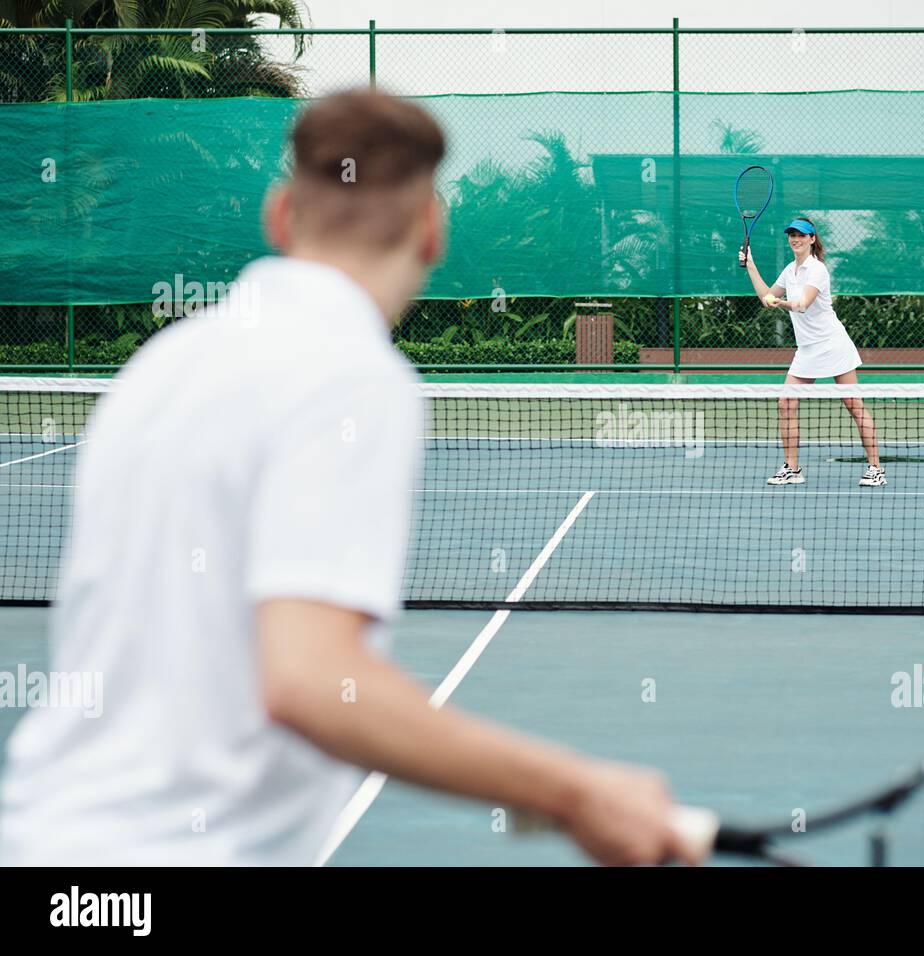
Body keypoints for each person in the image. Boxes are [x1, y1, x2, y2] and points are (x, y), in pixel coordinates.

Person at [0, 90, 700, 867]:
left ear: (279, 214)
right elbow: (308, 679)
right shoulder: (352, 378)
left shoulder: (158, 367)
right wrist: (575, 791)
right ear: (433, 228)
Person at [741, 217, 886, 487]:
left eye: (801, 235)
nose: (795, 239)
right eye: (791, 234)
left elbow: (803, 304)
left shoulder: (817, 270)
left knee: (854, 405)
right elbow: (766, 299)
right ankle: (792, 468)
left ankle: (875, 468)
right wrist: (750, 266)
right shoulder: (789, 270)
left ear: (811, 239)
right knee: (786, 402)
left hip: (833, 345)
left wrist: (780, 302)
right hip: (807, 350)